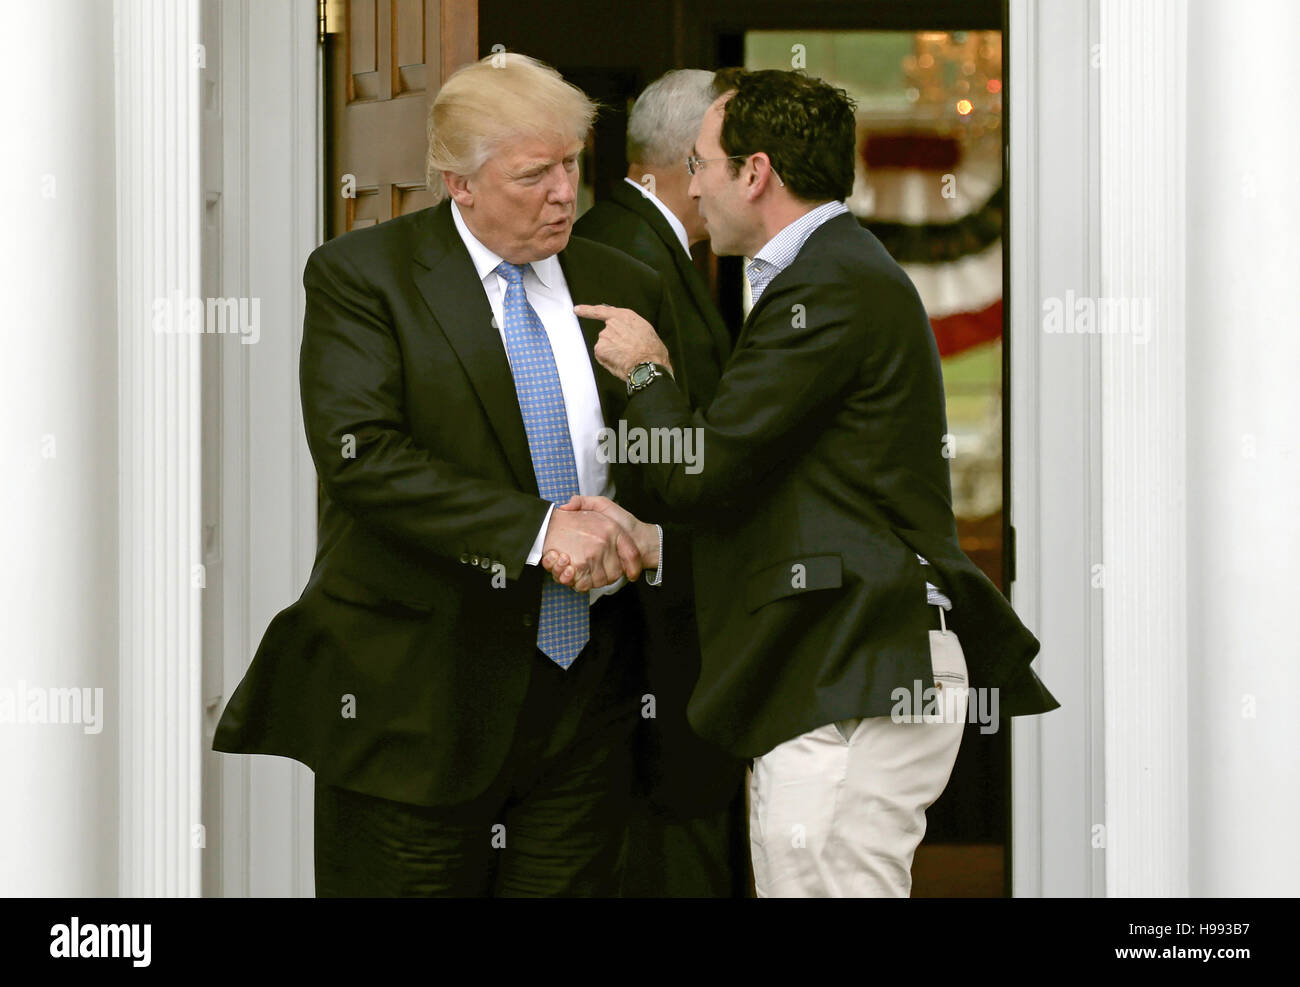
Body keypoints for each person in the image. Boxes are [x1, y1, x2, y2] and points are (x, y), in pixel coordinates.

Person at [547, 68, 1061, 897]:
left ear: (755, 173)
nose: (694, 184)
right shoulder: (823, 275)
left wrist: (646, 373)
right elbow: (789, 489)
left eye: (702, 162)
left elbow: (704, 468)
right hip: (842, 667)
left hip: (851, 666)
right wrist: (655, 539)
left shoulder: (828, 285)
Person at [212, 52, 674, 897]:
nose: (566, 192)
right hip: (418, 705)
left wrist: (644, 488)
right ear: (459, 183)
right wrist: (541, 531)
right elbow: (364, 455)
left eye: (572, 164)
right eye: (535, 174)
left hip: (589, 701)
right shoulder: (365, 277)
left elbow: (677, 462)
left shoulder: (624, 283)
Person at [573, 69, 746, 898]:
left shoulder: (648, 245)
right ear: (688, 160)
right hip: (647, 615)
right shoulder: (623, 257)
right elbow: (638, 450)